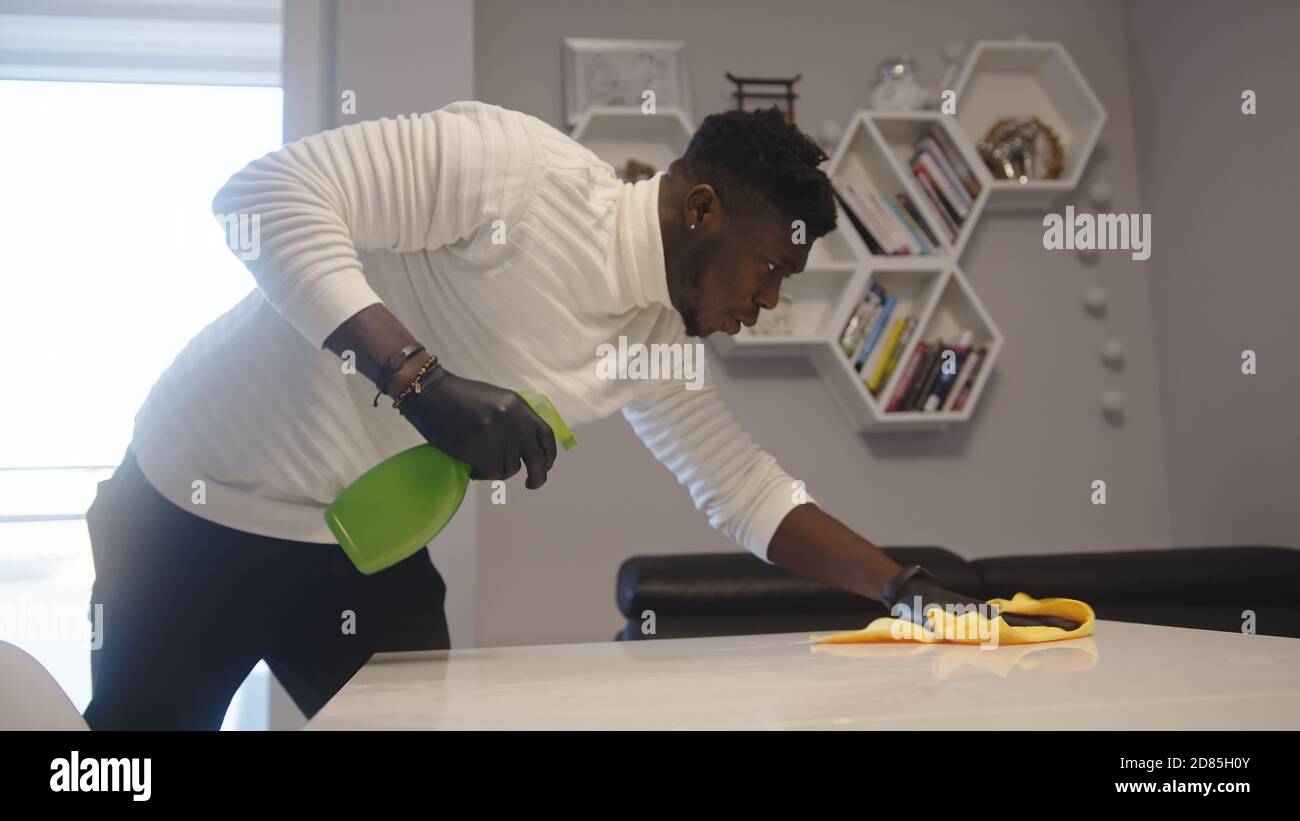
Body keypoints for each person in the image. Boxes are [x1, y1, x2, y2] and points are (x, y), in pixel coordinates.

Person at [83, 101, 1071, 730]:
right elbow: (258, 195)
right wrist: (418, 378)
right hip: (191, 512)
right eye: (772, 266)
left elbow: (743, 487)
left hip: (356, 552)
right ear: (700, 211)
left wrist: (903, 586)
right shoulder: (512, 171)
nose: (769, 299)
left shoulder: (655, 339)